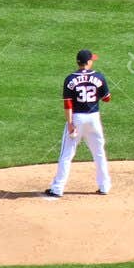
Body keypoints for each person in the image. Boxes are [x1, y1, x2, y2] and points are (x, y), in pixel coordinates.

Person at [46, 49, 112, 197]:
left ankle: (57, 189)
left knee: (67, 155)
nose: (93, 61)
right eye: (92, 59)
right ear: (88, 62)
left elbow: (68, 104)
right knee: (99, 153)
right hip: (94, 119)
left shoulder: (70, 79)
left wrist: (70, 123)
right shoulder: (99, 76)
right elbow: (107, 98)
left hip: (77, 118)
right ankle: (104, 186)